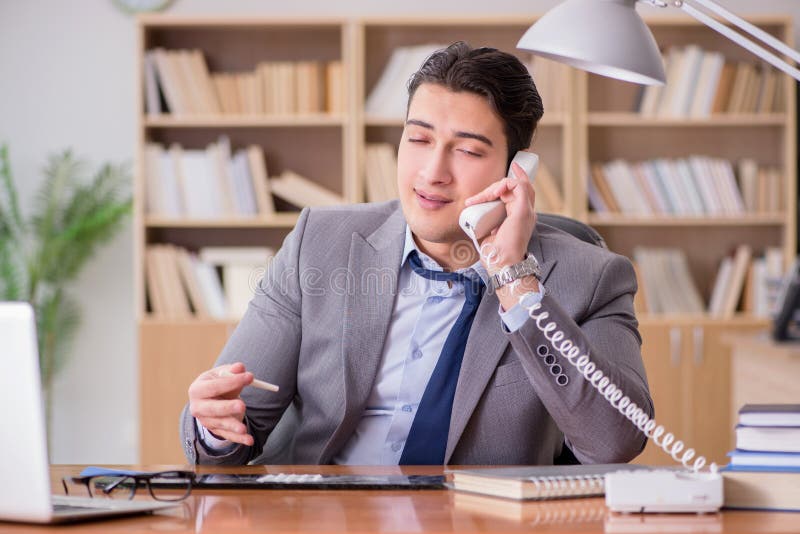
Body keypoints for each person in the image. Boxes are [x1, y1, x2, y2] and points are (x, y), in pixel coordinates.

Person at [180, 41, 652, 466]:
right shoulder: (317, 244)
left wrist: (514, 280)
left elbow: (615, 442)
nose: (432, 172)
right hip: (323, 514)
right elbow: (233, 433)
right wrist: (215, 426)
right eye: (419, 139)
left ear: (516, 171)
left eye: (466, 150)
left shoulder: (591, 277)